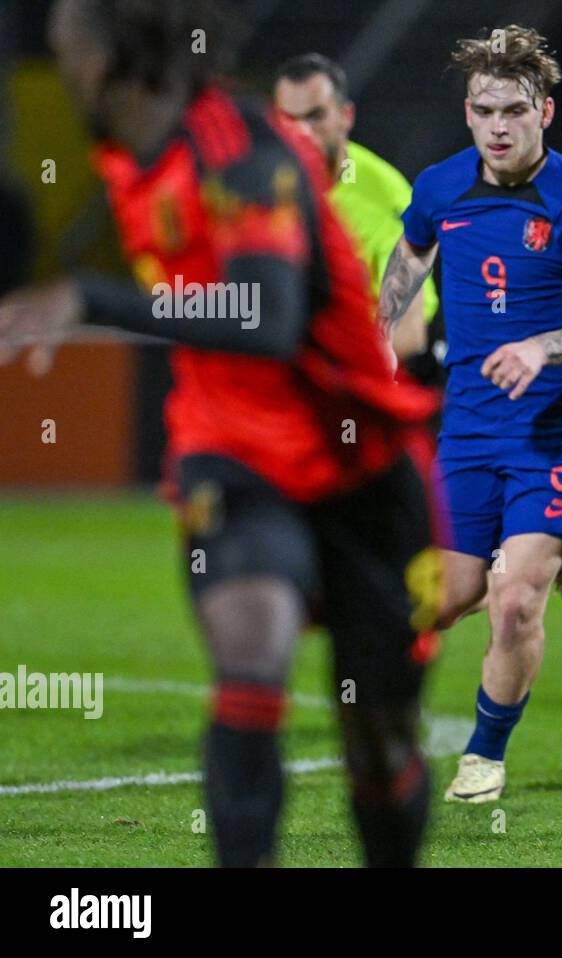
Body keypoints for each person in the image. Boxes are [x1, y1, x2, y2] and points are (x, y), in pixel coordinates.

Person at [0, 0, 442, 866]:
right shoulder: (128, 152)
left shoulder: (240, 154)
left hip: (360, 457)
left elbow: (267, 316)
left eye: (66, 52)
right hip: (231, 451)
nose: (60, 72)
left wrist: (89, 299)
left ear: (109, 58)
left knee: (379, 739)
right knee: (251, 647)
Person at [378, 25, 562, 804]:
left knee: (514, 600)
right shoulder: (441, 187)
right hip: (471, 428)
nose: (498, 126)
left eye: (514, 110)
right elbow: (412, 252)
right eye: (484, 109)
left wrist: (540, 349)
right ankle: (560, 561)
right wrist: (382, 332)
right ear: (468, 111)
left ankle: (485, 755)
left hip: (557, 428)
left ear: (544, 112)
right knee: (443, 598)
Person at [272, 53, 437, 363]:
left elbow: (407, 329)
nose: (303, 133)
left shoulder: (385, 194)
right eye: (289, 120)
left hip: (352, 369)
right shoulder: (257, 184)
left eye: (315, 116)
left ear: (345, 117)